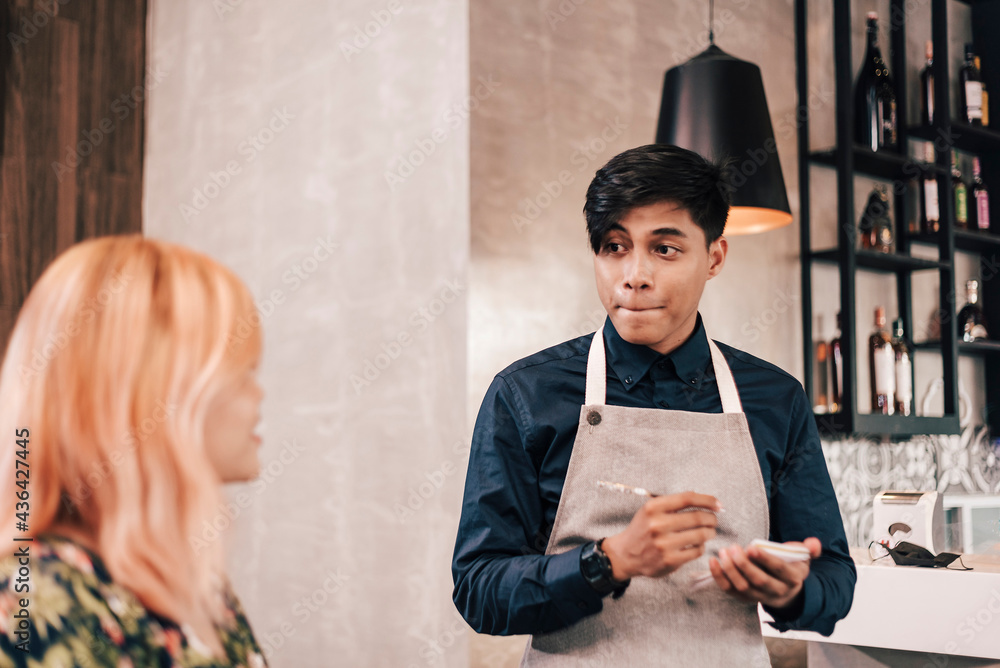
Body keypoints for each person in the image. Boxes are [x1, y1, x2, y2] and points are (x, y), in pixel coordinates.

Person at [452, 144, 856, 665]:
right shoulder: (525, 394)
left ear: (714, 258)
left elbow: (834, 578)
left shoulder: (776, 399)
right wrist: (607, 562)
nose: (634, 274)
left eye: (664, 249)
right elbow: (478, 588)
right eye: (614, 246)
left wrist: (793, 592)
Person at [0, 236, 267, 666]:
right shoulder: (34, 597)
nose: (259, 395)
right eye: (242, 373)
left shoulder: (198, 586)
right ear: (157, 395)